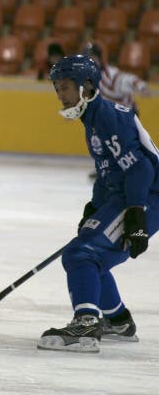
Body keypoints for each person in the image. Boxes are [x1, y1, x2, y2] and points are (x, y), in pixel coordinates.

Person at [38, 55, 159, 353]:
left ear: (87, 86)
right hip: (130, 194)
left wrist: (136, 216)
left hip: (147, 196)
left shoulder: (108, 117)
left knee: (82, 254)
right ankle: (118, 321)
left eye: (65, 87)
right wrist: (94, 209)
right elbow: (109, 173)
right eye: (58, 89)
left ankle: (86, 323)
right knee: (94, 258)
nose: (61, 96)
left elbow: (140, 169)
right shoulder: (92, 119)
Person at [83, 42, 150, 113]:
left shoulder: (111, 74)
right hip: (110, 115)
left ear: (98, 58)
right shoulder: (89, 77)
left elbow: (131, 80)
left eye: (91, 57)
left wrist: (142, 88)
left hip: (126, 115)